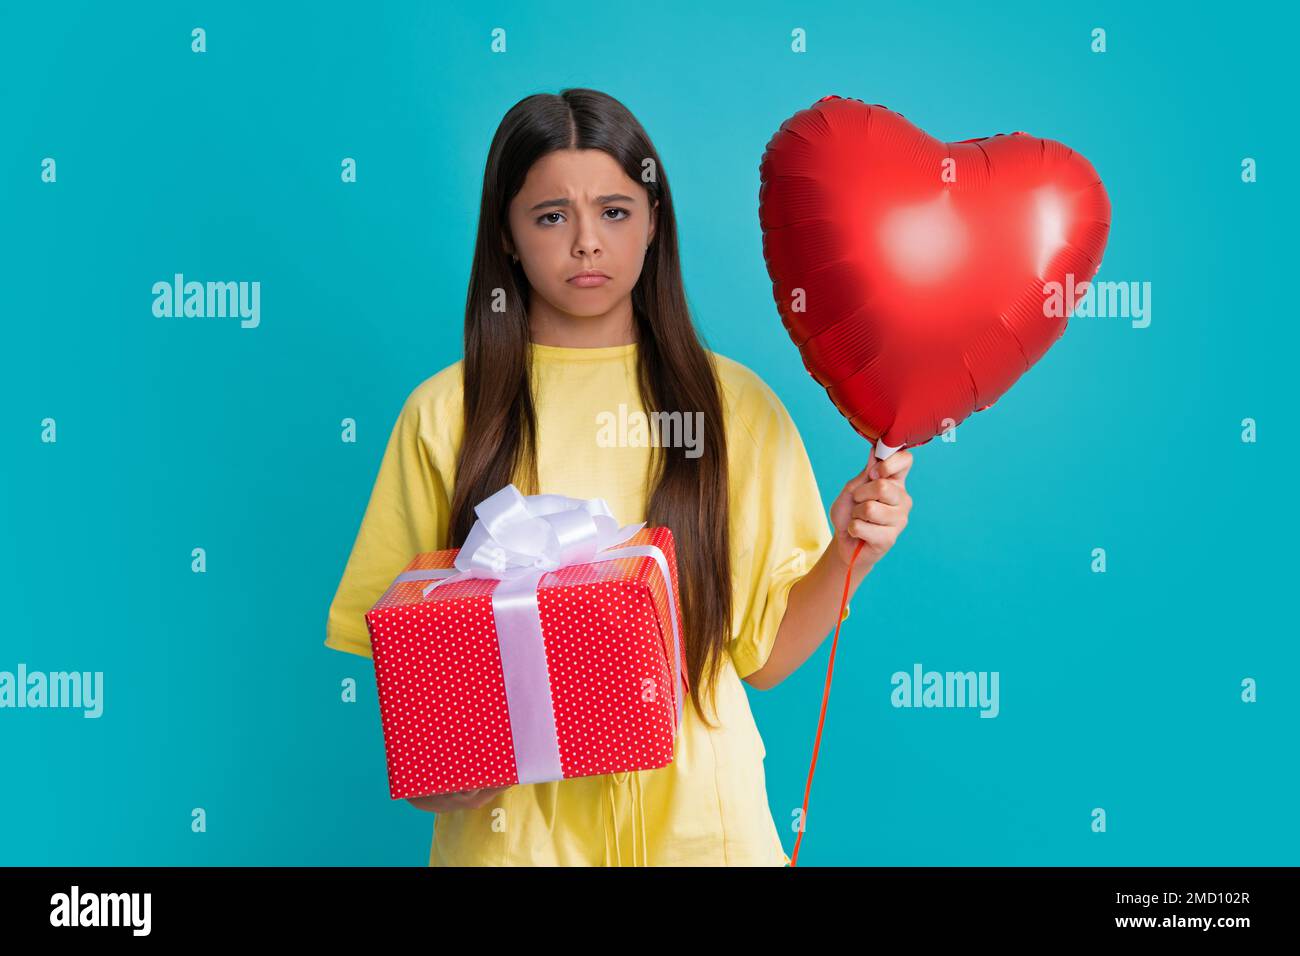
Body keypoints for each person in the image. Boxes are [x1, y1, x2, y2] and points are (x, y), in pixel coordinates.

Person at [324, 87, 914, 866]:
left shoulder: (735, 406)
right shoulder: (443, 416)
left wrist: (848, 553)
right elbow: (407, 673)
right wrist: (446, 777)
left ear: (652, 222)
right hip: (514, 845)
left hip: (705, 833)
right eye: (549, 216)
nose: (586, 244)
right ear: (505, 235)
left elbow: (764, 660)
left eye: (613, 211)